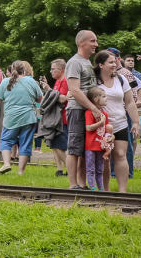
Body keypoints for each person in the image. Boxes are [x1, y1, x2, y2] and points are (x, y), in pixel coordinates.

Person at [94, 50, 140, 192]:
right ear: (101, 65)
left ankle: (122, 191)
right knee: (104, 158)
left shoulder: (121, 79)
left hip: (120, 123)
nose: (115, 64)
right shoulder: (93, 80)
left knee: (121, 155)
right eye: (111, 62)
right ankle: (105, 190)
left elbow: (130, 102)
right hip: (102, 125)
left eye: (115, 62)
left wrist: (136, 122)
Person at [65, 30, 103, 190]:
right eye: (93, 41)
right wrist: (93, 107)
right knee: (74, 148)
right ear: (82, 43)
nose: (96, 44)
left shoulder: (86, 62)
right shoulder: (75, 62)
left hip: (86, 110)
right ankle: (73, 184)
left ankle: (82, 183)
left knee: (84, 148)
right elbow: (74, 90)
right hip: (77, 110)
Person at [0, 60, 42, 175]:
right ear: (24, 70)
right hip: (28, 118)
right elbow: (40, 99)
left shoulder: (5, 82)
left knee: (5, 140)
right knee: (25, 143)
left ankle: (6, 163)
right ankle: (21, 171)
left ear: (12, 70)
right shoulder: (31, 82)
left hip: (11, 118)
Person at [83, 87, 110, 190]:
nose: (106, 98)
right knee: (90, 169)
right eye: (103, 96)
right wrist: (100, 123)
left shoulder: (105, 114)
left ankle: (101, 188)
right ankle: (92, 187)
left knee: (100, 169)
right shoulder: (89, 112)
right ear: (95, 99)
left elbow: (107, 130)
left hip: (101, 146)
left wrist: (111, 136)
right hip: (90, 146)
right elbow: (88, 127)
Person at [46, 59, 70, 176]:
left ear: (61, 70)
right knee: (53, 144)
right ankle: (59, 169)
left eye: (53, 69)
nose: (51, 71)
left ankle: (70, 169)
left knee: (59, 144)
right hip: (56, 117)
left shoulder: (65, 81)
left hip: (63, 118)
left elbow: (62, 99)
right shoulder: (57, 81)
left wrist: (50, 93)